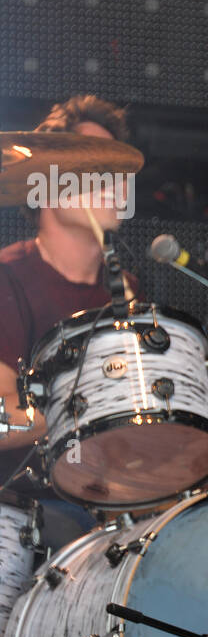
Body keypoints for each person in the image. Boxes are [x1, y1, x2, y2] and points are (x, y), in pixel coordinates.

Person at [0, 94, 134, 481]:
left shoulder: (125, 290)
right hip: (24, 515)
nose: (116, 181)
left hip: (102, 507)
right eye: (94, 165)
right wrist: (88, 406)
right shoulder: (8, 278)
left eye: (119, 168)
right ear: (46, 182)